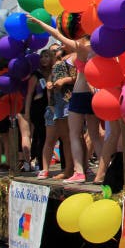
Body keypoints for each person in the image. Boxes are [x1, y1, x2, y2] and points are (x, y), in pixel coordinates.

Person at [27, 14, 102, 184]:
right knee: (95, 136)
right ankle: (103, 171)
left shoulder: (80, 47)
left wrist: (40, 23)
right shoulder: (101, 45)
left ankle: (79, 172)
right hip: (95, 93)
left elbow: (57, 35)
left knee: (74, 134)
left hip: (80, 92)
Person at [39, 44, 75, 180]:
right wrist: (49, 83)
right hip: (56, 103)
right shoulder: (57, 64)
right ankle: (67, 169)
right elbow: (51, 80)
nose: (54, 51)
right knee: (64, 139)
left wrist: (64, 80)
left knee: (72, 137)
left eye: (55, 50)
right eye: (51, 51)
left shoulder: (71, 58)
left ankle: (73, 169)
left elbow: (77, 77)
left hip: (67, 99)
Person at [17, 48, 54, 173]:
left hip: (48, 107)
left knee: (44, 135)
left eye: (47, 56)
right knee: (39, 135)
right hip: (36, 107)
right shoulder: (36, 74)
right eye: (42, 57)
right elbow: (29, 94)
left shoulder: (52, 73)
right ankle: (35, 161)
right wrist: (26, 112)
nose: (44, 59)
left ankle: (39, 161)